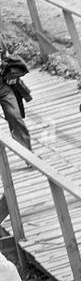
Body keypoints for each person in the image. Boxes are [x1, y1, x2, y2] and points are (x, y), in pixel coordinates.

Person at [0, 50, 33, 231]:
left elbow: (7, 55)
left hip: (3, 86)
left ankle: (28, 155)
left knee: (15, 117)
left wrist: (10, 71)